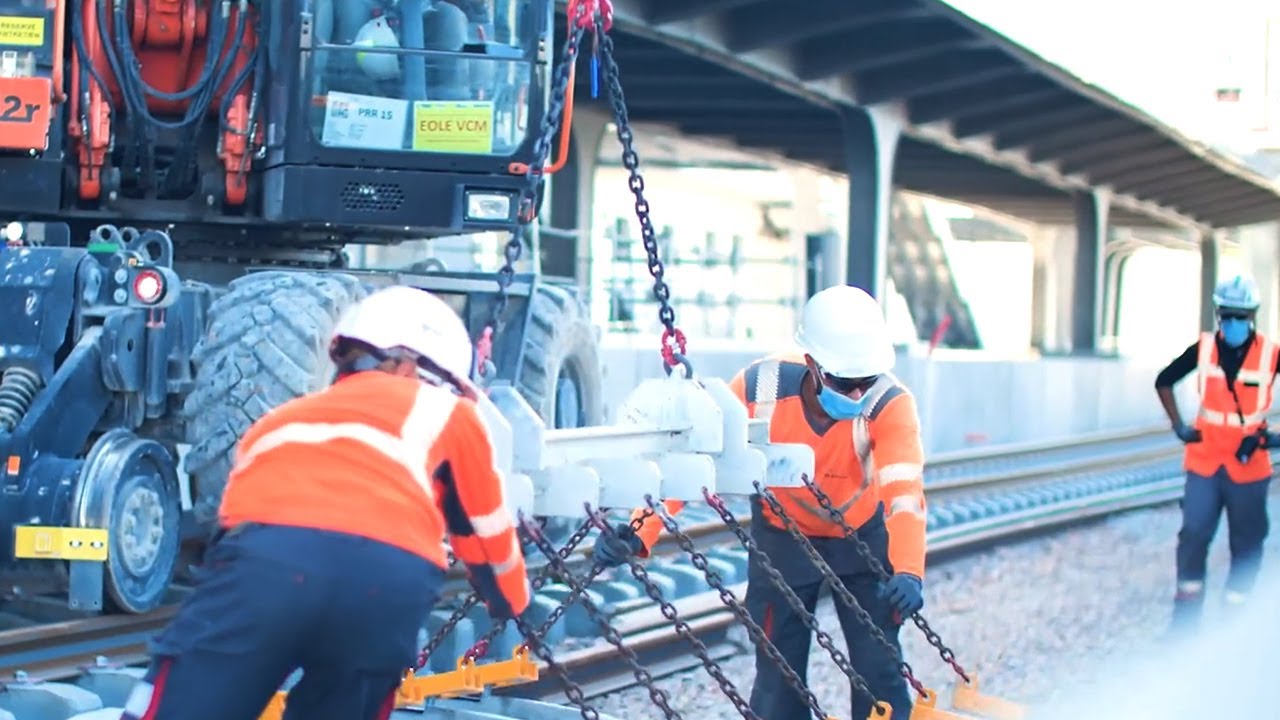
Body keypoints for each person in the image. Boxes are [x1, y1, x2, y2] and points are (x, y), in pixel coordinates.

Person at [121, 286, 531, 720]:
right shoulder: (452, 414)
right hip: (384, 583)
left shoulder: (277, 422)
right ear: (419, 368)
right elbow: (484, 532)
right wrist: (509, 603)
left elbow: (231, 527)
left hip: (265, 568)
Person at [596, 284, 928, 720]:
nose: (854, 396)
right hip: (783, 540)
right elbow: (694, 462)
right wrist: (639, 534)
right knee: (778, 676)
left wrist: (908, 572)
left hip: (861, 542)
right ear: (812, 364)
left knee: (878, 671)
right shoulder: (758, 387)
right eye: (844, 384)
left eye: (863, 383)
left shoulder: (890, 404)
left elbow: (904, 494)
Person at [1155, 273, 1278, 633]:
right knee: (1193, 534)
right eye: (1228, 315)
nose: (1234, 323)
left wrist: (1271, 439)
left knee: (1248, 543)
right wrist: (1179, 426)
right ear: (1218, 314)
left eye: (1242, 316)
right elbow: (1164, 380)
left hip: (1249, 465)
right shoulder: (1205, 349)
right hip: (1205, 461)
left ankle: (1235, 618)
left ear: (1253, 316)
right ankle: (1185, 621)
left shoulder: (1270, 354)